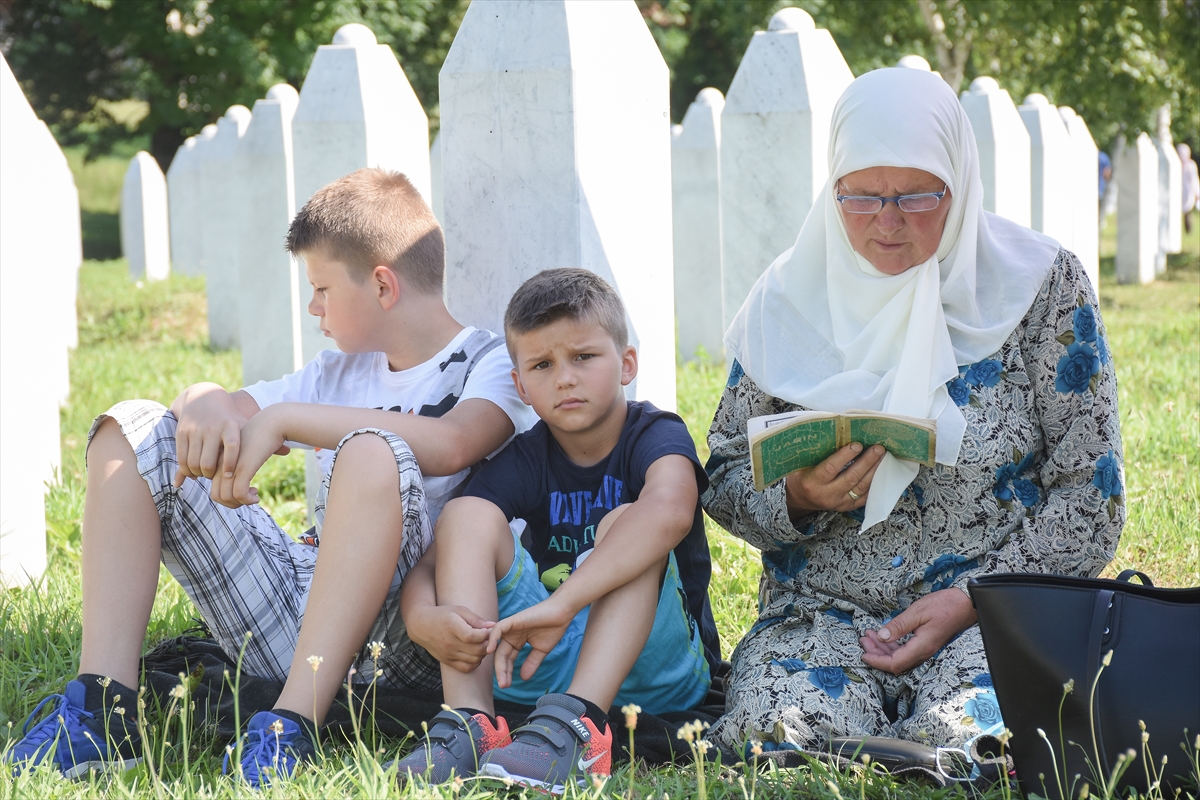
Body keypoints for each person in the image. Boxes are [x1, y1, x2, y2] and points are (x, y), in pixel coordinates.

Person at [6, 168, 534, 785]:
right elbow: (217, 409)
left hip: (420, 632)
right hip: (305, 614)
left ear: (383, 286)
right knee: (133, 429)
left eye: (321, 289)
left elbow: (454, 443)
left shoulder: (491, 360)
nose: (314, 308)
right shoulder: (336, 374)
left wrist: (285, 417)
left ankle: (291, 727)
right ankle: (103, 709)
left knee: (373, 450)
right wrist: (202, 395)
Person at [704, 68, 1124, 756]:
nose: (888, 221)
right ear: (833, 187)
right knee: (779, 732)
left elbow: (1093, 494)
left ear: (959, 182)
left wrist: (973, 598)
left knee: (979, 737)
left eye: (918, 195)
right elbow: (721, 474)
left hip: (995, 615)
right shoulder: (789, 296)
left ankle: (940, 738)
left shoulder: (1042, 289)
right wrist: (800, 497)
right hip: (820, 617)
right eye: (862, 196)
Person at [396, 268, 718, 793]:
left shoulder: (654, 432)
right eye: (542, 365)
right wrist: (420, 617)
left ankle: (582, 727)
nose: (564, 378)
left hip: (658, 670)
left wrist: (564, 602)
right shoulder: (527, 455)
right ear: (520, 384)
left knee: (627, 521)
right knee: (467, 515)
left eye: (584, 357)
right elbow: (437, 554)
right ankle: (471, 724)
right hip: (547, 656)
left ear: (626, 364)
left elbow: (670, 513)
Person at [1179, 143, 1199, 234]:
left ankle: (1188, 229)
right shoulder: (1177, 165)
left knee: (1187, 211)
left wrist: (1197, 192)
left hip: (1188, 191)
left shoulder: (1191, 165)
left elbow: (1194, 180)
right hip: (1179, 191)